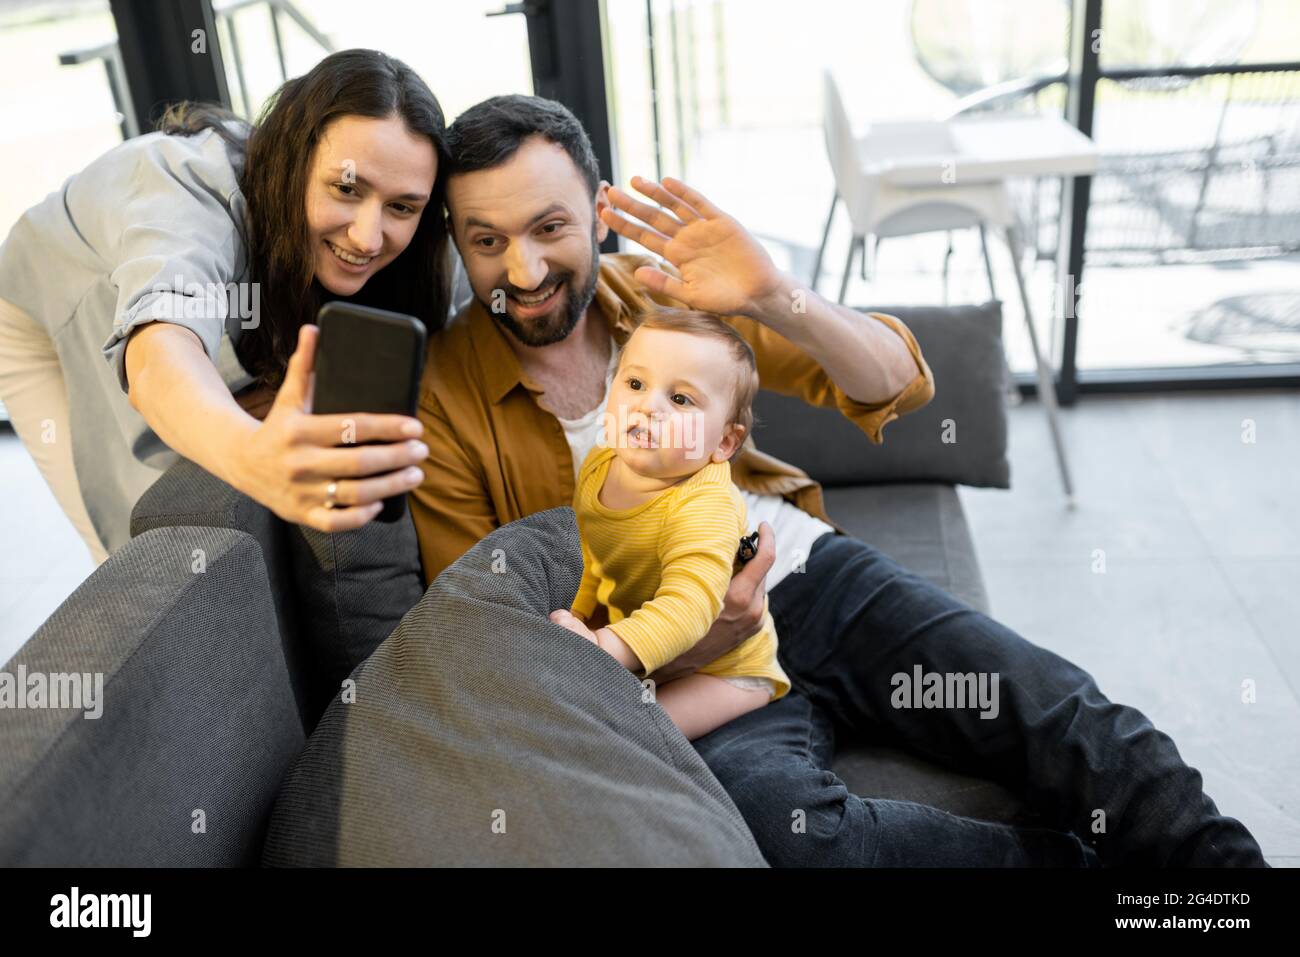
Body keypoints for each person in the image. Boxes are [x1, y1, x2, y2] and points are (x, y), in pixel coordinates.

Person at [412, 93, 1266, 867]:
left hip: (817, 582)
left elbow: (893, 381)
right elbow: (503, 635)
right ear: (458, 241)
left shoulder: (664, 296)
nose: (521, 272)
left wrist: (778, 296)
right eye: (487, 241)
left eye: (549, 228)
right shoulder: (444, 397)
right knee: (802, 840)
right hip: (693, 674)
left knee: (1061, 716)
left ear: (599, 217)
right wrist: (695, 637)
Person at [0, 49, 451, 561]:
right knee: (135, 534)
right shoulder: (187, 194)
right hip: (42, 304)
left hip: (188, 294)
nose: (369, 238)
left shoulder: (415, 249)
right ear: (293, 161)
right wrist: (254, 457)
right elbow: (158, 352)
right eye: (346, 188)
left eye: (401, 207)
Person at [550, 310, 792, 741]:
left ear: (724, 442)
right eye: (635, 384)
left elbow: (689, 607)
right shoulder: (600, 465)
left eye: (680, 400)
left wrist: (605, 647)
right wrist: (580, 612)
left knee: (629, 735)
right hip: (648, 643)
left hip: (725, 670)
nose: (648, 407)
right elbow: (592, 556)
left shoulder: (705, 507)